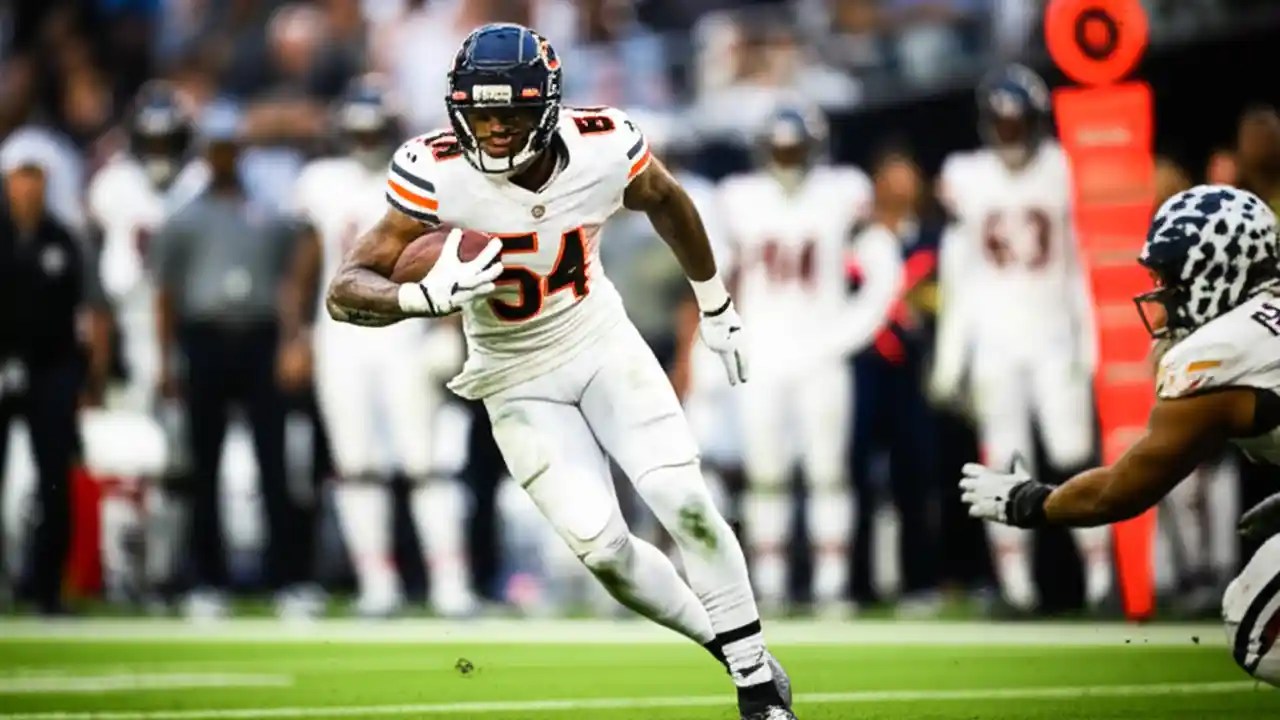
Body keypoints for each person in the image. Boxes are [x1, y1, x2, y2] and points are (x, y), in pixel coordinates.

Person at [326, 24, 795, 720]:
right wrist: (415, 297)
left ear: (546, 106)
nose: (491, 129)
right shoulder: (434, 168)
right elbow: (345, 288)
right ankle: (730, 646)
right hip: (512, 374)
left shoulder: (605, 145)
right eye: (478, 112)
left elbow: (666, 200)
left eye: (509, 113)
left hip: (598, 339)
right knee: (603, 549)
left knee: (685, 501)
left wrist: (715, 303)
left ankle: (756, 687)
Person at [959, 184, 1280, 686]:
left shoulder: (1223, 351)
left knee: (1255, 626)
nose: (1160, 301)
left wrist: (1030, 502)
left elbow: (1121, 491)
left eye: (1171, 282)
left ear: (1219, 272)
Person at [287, 74, 477, 618]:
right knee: (355, 463)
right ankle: (377, 581)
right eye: (360, 131)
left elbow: (453, 254)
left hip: (407, 332)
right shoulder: (321, 180)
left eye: (377, 131)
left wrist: (448, 329)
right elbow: (302, 267)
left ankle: (450, 580)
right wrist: (295, 334)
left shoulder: (425, 174)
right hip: (342, 334)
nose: (368, 142)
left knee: (427, 463)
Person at [930, 64, 1111, 614]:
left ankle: (1101, 582)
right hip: (996, 340)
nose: (1010, 134)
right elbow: (959, 269)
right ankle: (1016, 589)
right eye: (1002, 124)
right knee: (1006, 463)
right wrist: (951, 355)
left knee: (1074, 454)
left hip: (1054, 331)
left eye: (1018, 123)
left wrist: (1092, 337)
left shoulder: (1063, 166)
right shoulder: (966, 174)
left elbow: (1085, 259)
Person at [150, 100, 313, 620]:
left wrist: (293, 339)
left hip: (260, 337)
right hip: (205, 339)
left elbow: (296, 270)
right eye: (215, 149)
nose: (223, 157)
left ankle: (285, 579)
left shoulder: (267, 209)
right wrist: (166, 359)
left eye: (230, 149)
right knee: (205, 464)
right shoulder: (184, 216)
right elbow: (166, 295)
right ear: (205, 154)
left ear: (239, 152)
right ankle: (207, 578)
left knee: (273, 462)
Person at [714, 105, 872, 617]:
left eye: (794, 149)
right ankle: (772, 581)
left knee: (828, 470)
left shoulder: (841, 192)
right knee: (766, 473)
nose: (786, 159)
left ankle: (830, 583)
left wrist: (848, 332)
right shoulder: (738, 199)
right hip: (763, 351)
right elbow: (718, 273)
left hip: (819, 351)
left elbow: (882, 260)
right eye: (779, 149)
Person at [84, 80, 205, 605]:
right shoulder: (114, 183)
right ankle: (118, 571)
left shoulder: (199, 181)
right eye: (151, 141)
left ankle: (163, 569)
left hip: (185, 331)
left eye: (167, 141)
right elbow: (96, 272)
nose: (159, 151)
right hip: (128, 327)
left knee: (176, 463)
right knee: (124, 457)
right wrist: (99, 351)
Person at [0, 139, 110, 615]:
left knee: (54, 481)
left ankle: (46, 588)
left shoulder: (65, 238)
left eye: (35, 175)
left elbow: (94, 310)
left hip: (52, 369)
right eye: (20, 175)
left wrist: (90, 381)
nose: (27, 186)